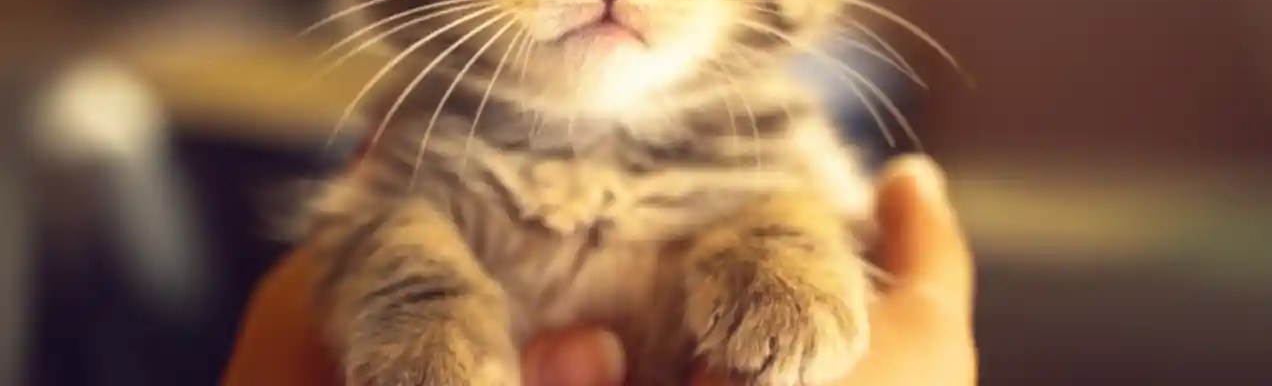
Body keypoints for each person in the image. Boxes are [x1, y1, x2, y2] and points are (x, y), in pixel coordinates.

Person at [221, 155, 976, 386]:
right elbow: (356, 234)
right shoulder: (416, 158)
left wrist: (786, 237)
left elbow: (820, 203)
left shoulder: (769, 153)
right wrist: (412, 287)